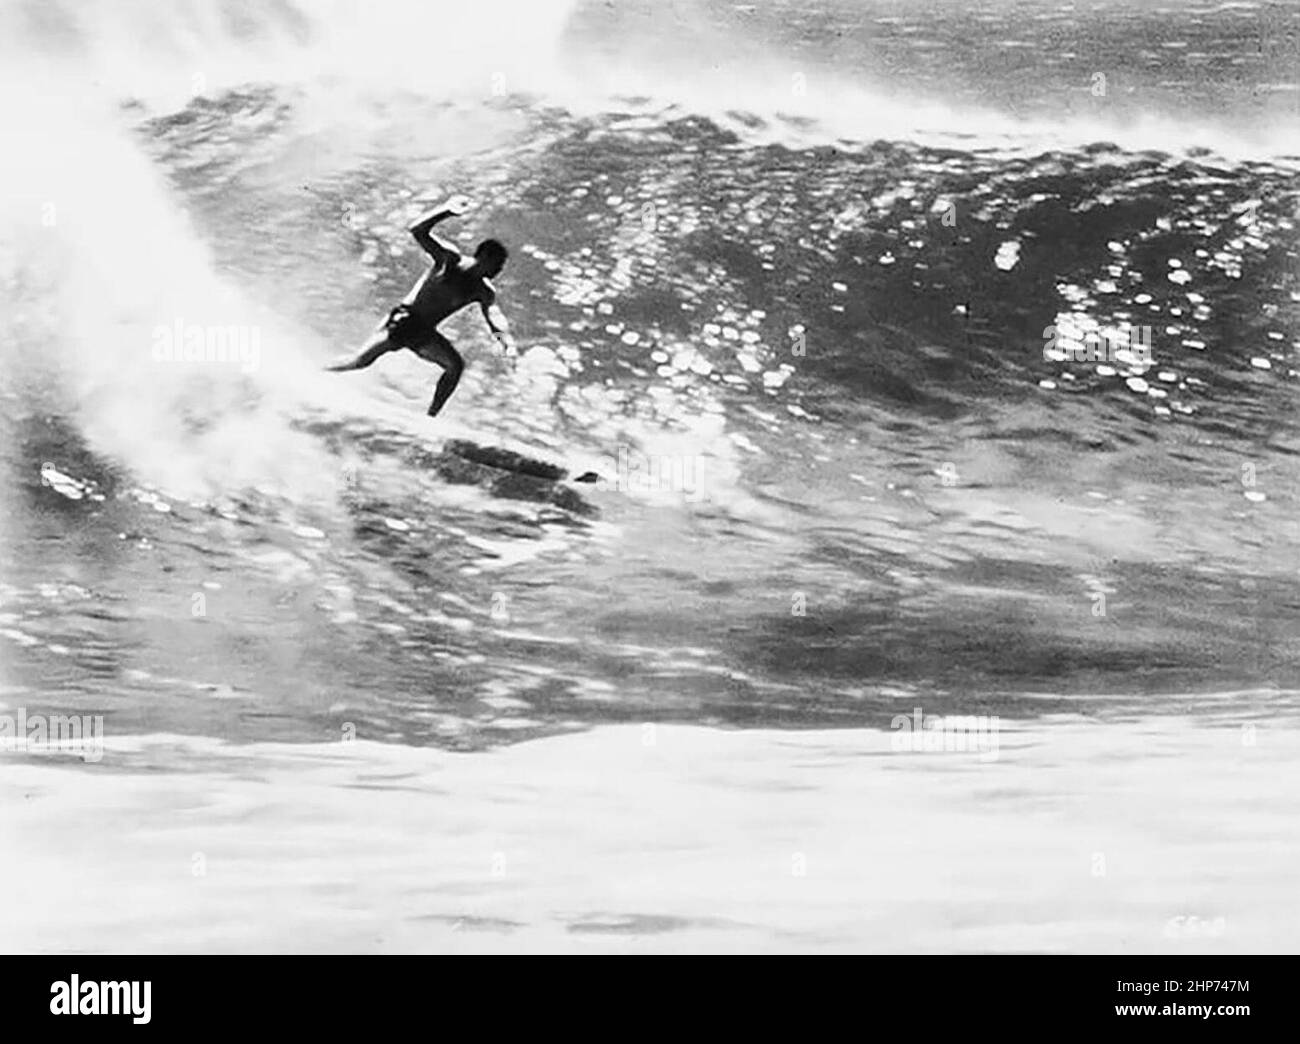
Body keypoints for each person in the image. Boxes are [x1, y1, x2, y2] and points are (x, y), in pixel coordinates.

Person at [327, 195, 517, 416]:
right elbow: (417, 230)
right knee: (360, 361)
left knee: (455, 367)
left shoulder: (483, 291)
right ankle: (317, 374)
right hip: (404, 320)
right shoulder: (450, 260)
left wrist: (507, 344)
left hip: (424, 333)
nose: (500, 269)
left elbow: (494, 319)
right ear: (484, 256)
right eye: (498, 263)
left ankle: (430, 418)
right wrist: (446, 210)